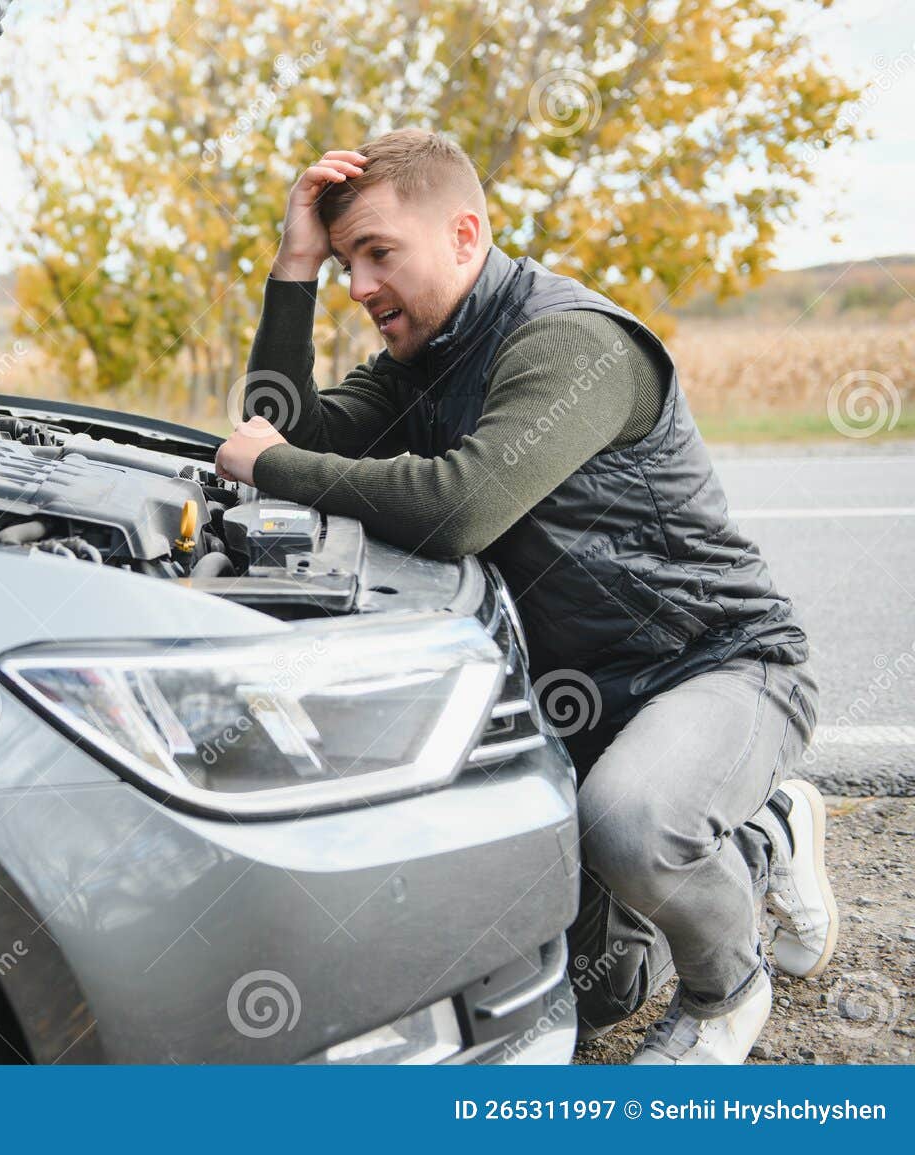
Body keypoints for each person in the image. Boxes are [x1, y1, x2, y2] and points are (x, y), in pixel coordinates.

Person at [215, 129, 836, 1064]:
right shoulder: (418, 359)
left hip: (716, 666)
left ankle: (728, 991)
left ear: (466, 235)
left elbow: (456, 505)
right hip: (573, 706)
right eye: (344, 263)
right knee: (597, 986)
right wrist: (291, 265)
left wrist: (279, 462)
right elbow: (283, 427)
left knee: (630, 825)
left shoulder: (573, 345)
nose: (358, 287)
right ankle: (761, 831)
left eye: (377, 253)